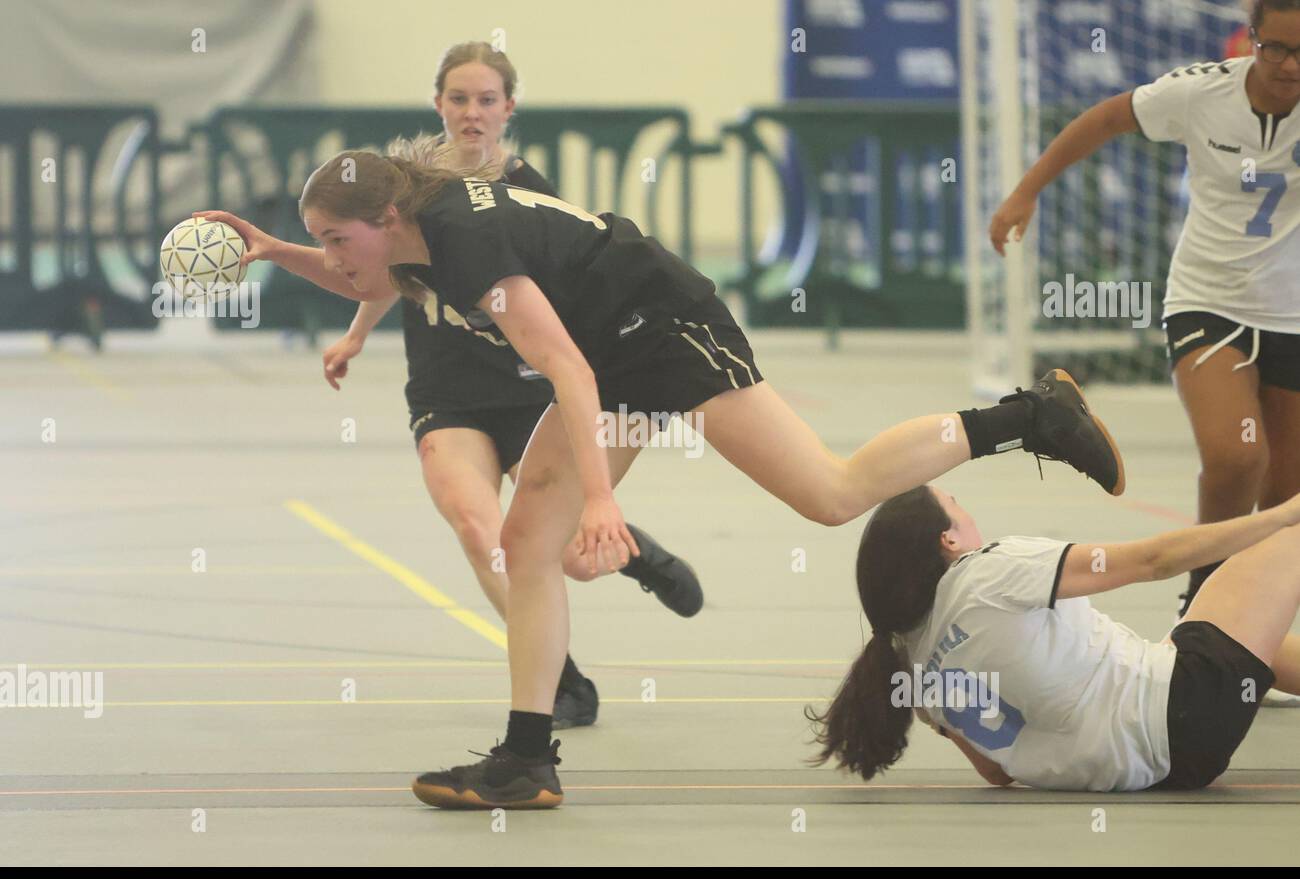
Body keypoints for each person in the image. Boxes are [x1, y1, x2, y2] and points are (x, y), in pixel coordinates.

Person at [202, 140, 1126, 809]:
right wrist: (272, 252)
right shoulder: (415, 241)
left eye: (333, 236)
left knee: (831, 494)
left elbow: (567, 371)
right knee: (528, 540)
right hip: (612, 346)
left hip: (659, 328)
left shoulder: (463, 241)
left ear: (389, 216)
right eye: (315, 240)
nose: (331, 254)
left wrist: (603, 502)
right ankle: (527, 760)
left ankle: (1033, 417)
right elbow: (367, 286)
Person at [208, 41, 704, 731]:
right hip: (448, 390)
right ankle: (559, 681)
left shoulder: (522, 190)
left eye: (486, 100)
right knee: (481, 530)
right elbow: (381, 268)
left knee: (557, 552)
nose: (472, 112)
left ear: (508, 110)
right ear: (438, 104)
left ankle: (632, 546)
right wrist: (356, 330)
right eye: (458, 99)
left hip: (527, 387)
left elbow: (563, 299)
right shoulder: (401, 190)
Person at [989, 0, 1300, 627]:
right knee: (1239, 457)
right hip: (1208, 304)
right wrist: (1026, 190)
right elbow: (1106, 119)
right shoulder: (1200, 94)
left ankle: (1253, 631)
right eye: (1276, 48)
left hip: (1292, 315)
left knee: (1287, 499)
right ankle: (1203, 613)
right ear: (1250, 39)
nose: (1288, 65)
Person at [809, 484, 1300, 791]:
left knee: (1256, 651)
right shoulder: (990, 572)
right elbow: (1153, 562)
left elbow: (997, 772)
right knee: (1289, 534)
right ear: (949, 539)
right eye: (956, 503)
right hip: (1182, 704)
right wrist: (1278, 516)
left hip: (1163, 766)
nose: (968, 511)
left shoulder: (915, 667)